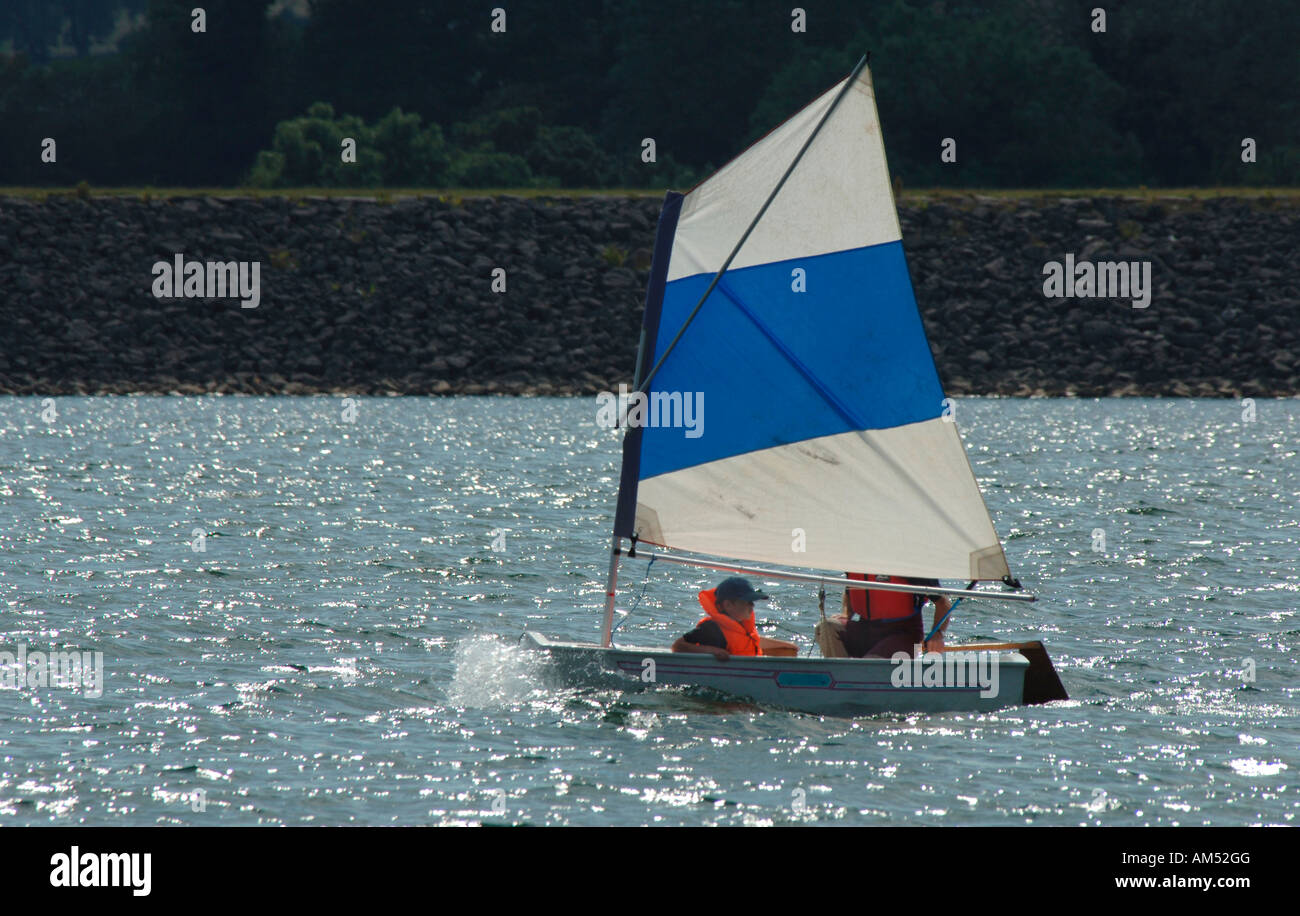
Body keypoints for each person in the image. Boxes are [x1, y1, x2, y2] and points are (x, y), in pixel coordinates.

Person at [815, 573, 951, 659]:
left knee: (868, 666)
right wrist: (846, 614)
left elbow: (943, 603)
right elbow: (850, 588)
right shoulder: (857, 560)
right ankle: (840, 677)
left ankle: (852, 681)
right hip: (866, 629)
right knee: (826, 627)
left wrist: (937, 634)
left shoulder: (910, 565)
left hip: (903, 635)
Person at [671, 576, 767, 660]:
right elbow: (678, 646)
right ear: (728, 605)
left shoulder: (743, 626)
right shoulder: (712, 628)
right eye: (748, 601)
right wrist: (712, 651)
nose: (752, 606)